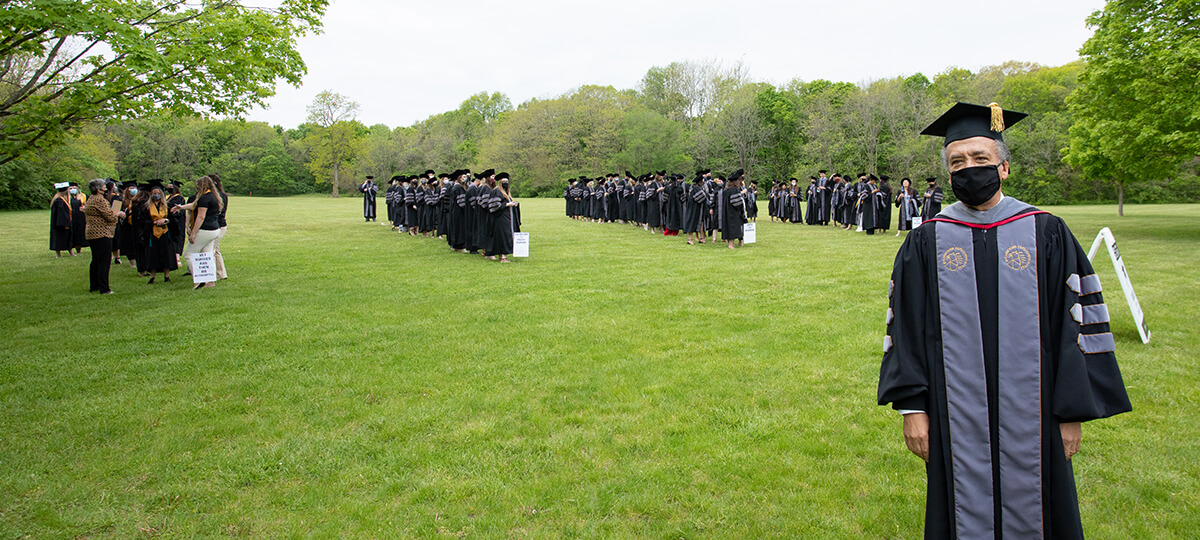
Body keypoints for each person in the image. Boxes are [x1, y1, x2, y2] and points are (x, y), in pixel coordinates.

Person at [877, 102, 1131, 539]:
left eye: (980, 159)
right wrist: (912, 407)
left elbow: (1077, 326)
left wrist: (1072, 412)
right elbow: (905, 331)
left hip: (1037, 415)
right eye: (958, 162)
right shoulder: (927, 240)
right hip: (952, 413)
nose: (969, 169)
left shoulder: (1046, 231)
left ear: (1004, 167)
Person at [173, 175, 224, 290]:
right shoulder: (213, 196)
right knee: (207, 255)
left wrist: (194, 233)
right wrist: (180, 207)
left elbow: (200, 217)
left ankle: (200, 280)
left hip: (205, 230)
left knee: (189, 254)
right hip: (215, 229)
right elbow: (194, 206)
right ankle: (210, 281)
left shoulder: (204, 198)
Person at [83, 178, 125, 294]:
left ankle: (94, 286)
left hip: (92, 233)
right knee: (104, 262)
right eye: (103, 187)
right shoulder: (100, 200)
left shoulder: (91, 199)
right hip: (102, 233)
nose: (105, 188)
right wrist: (119, 214)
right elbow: (110, 217)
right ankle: (104, 288)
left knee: (96, 261)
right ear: (98, 189)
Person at [136, 180, 178, 283]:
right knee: (152, 255)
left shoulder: (168, 205)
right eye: (154, 193)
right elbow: (141, 220)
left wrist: (166, 220)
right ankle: (152, 277)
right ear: (151, 194)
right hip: (152, 234)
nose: (156, 195)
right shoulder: (145, 206)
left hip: (165, 233)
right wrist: (153, 223)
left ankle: (166, 276)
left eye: (158, 193)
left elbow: (174, 219)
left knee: (166, 254)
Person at [718, 170, 746, 249]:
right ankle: (731, 245)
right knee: (733, 227)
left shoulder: (726, 190)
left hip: (727, 211)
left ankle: (732, 244)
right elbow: (737, 202)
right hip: (733, 212)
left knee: (729, 227)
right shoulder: (734, 190)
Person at [210, 173, 229, 281]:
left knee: (211, 249)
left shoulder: (219, 196)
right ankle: (221, 273)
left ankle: (211, 274)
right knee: (216, 249)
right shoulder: (221, 195)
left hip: (218, 225)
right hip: (219, 225)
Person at [50, 182, 74, 258]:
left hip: (64, 222)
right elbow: (61, 213)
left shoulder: (63, 199)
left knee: (68, 237)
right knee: (59, 238)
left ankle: (71, 252)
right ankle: (58, 254)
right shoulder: (59, 201)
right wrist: (65, 223)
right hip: (60, 224)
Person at [68, 182, 88, 255]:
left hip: (81, 218)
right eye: (70, 188)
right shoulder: (67, 197)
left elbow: (89, 204)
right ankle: (72, 250)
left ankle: (79, 249)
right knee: (73, 234)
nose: (72, 190)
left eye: (74, 188)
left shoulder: (84, 196)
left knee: (80, 233)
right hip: (71, 218)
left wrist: (85, 208)